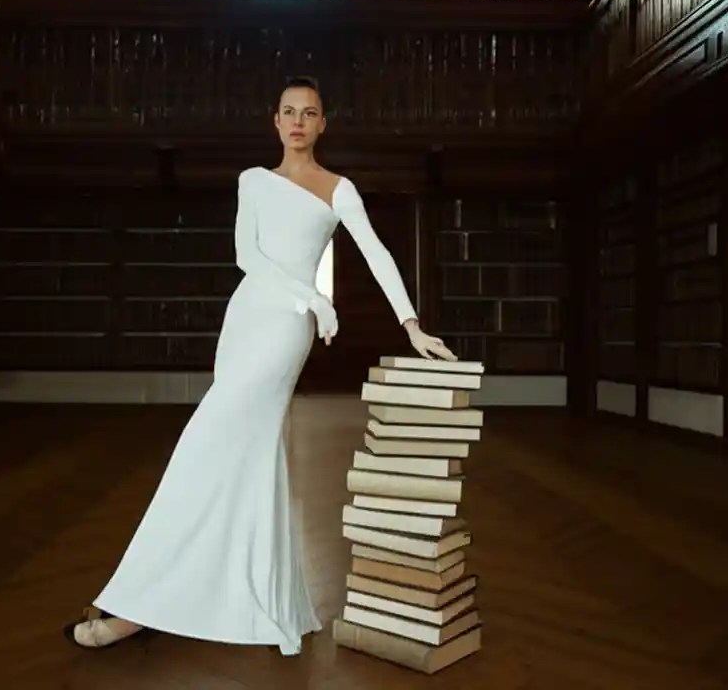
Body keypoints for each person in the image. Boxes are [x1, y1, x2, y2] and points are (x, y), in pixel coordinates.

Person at [63, 75, 457, 656]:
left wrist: (411, 324)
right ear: (275, 121)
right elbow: (248, 257)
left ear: (324, 124)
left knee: (208, 447)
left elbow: (377, 253)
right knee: (232, 454)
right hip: (248, 316)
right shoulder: (253, 180)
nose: (298, 121)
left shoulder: (338, 189)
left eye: (310, 112)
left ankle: (137, 604)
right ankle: (206, 598)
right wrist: (314, 296)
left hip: (281, 334)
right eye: (288, 111)